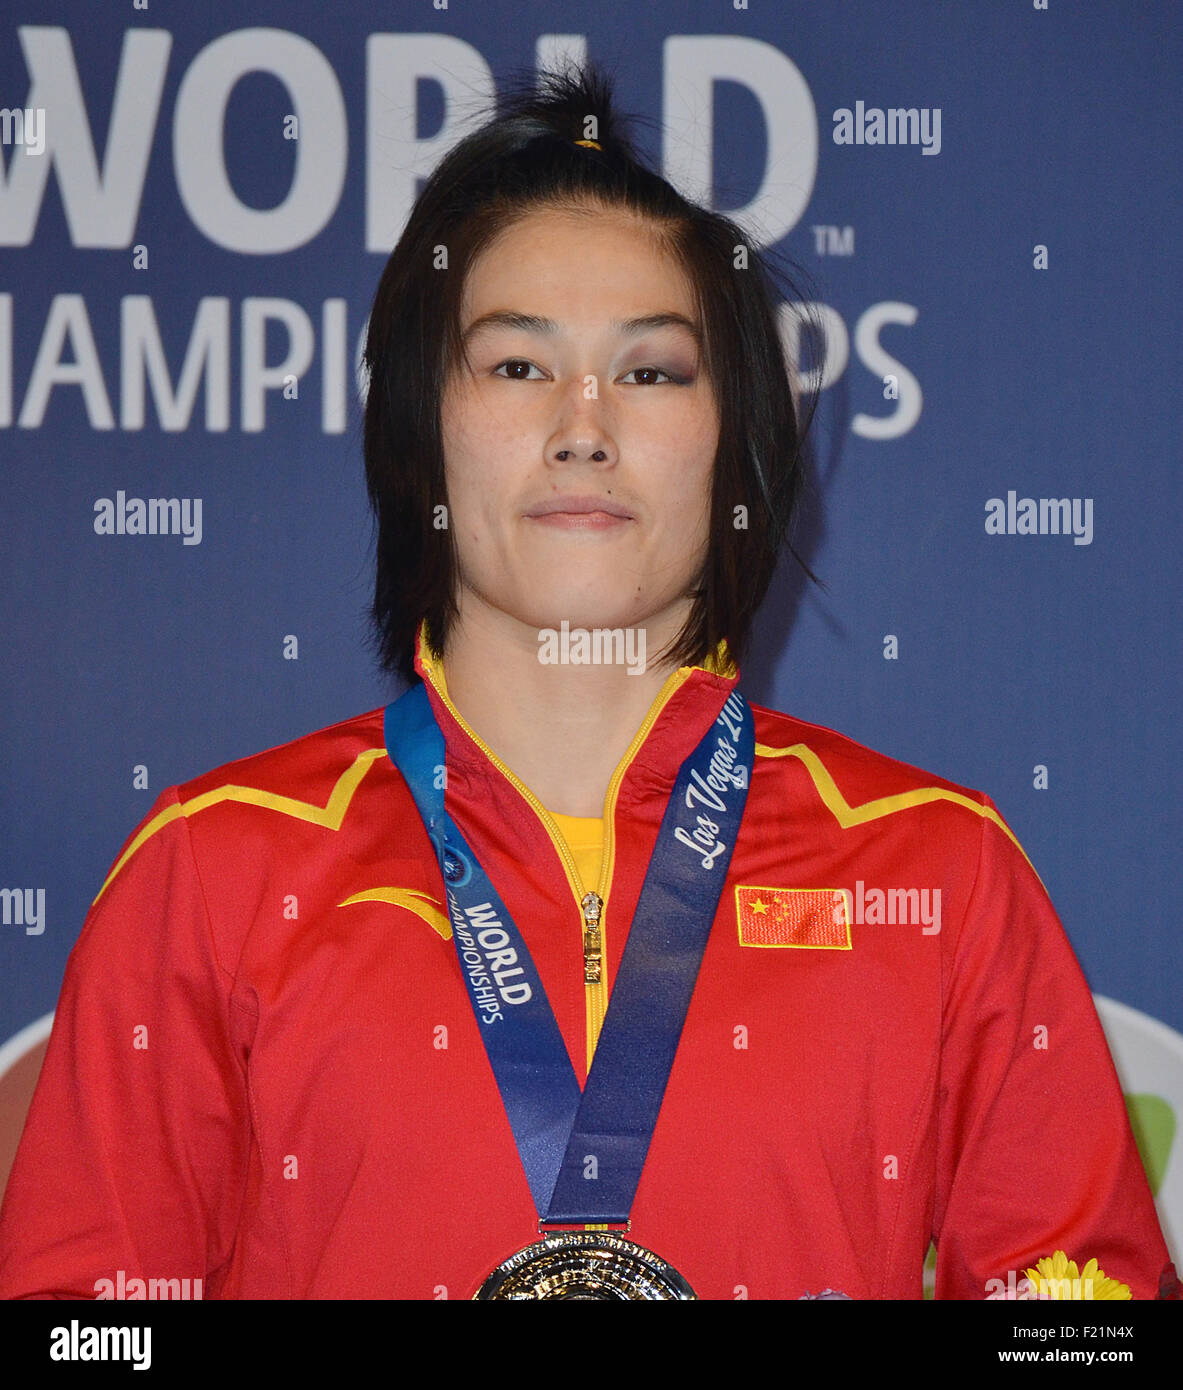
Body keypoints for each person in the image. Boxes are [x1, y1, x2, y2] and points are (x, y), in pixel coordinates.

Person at [0, 62, 1175, 1302]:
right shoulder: (214, 872)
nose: (583, 423)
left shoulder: (936, 872)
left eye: (654, 370)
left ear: (741, 439)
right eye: (515, 366)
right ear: (419, 429)